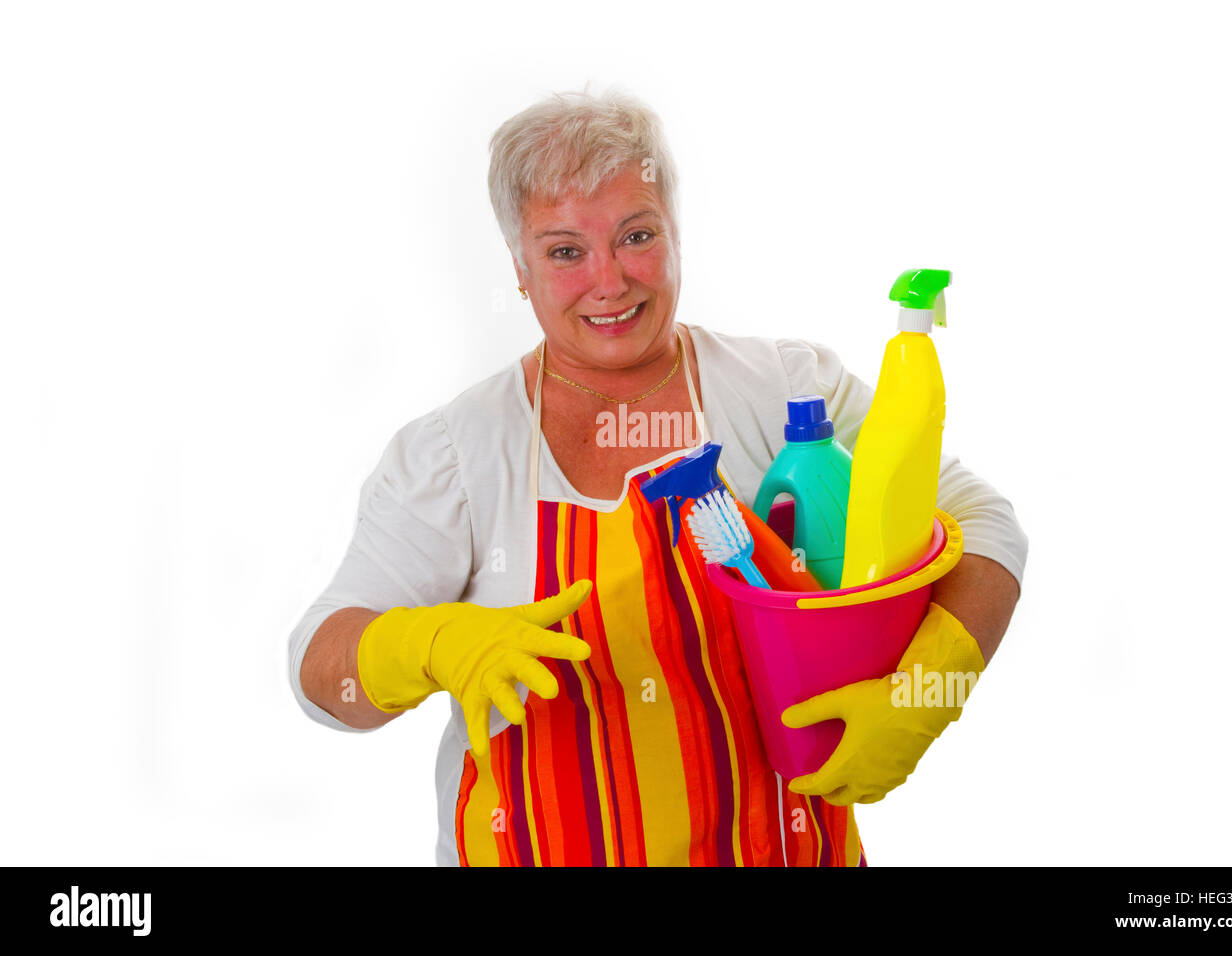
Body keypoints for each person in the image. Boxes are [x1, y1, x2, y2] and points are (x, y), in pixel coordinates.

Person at [289, 89, 1028, 866]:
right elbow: (319, 678)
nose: (609, 282)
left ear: (677, 235)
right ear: (519, 270)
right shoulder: (456, 453)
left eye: (636, 236)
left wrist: (919, 697)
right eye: (565, 251)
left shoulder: (786, 389)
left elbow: (985, 521)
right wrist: (426, 642)